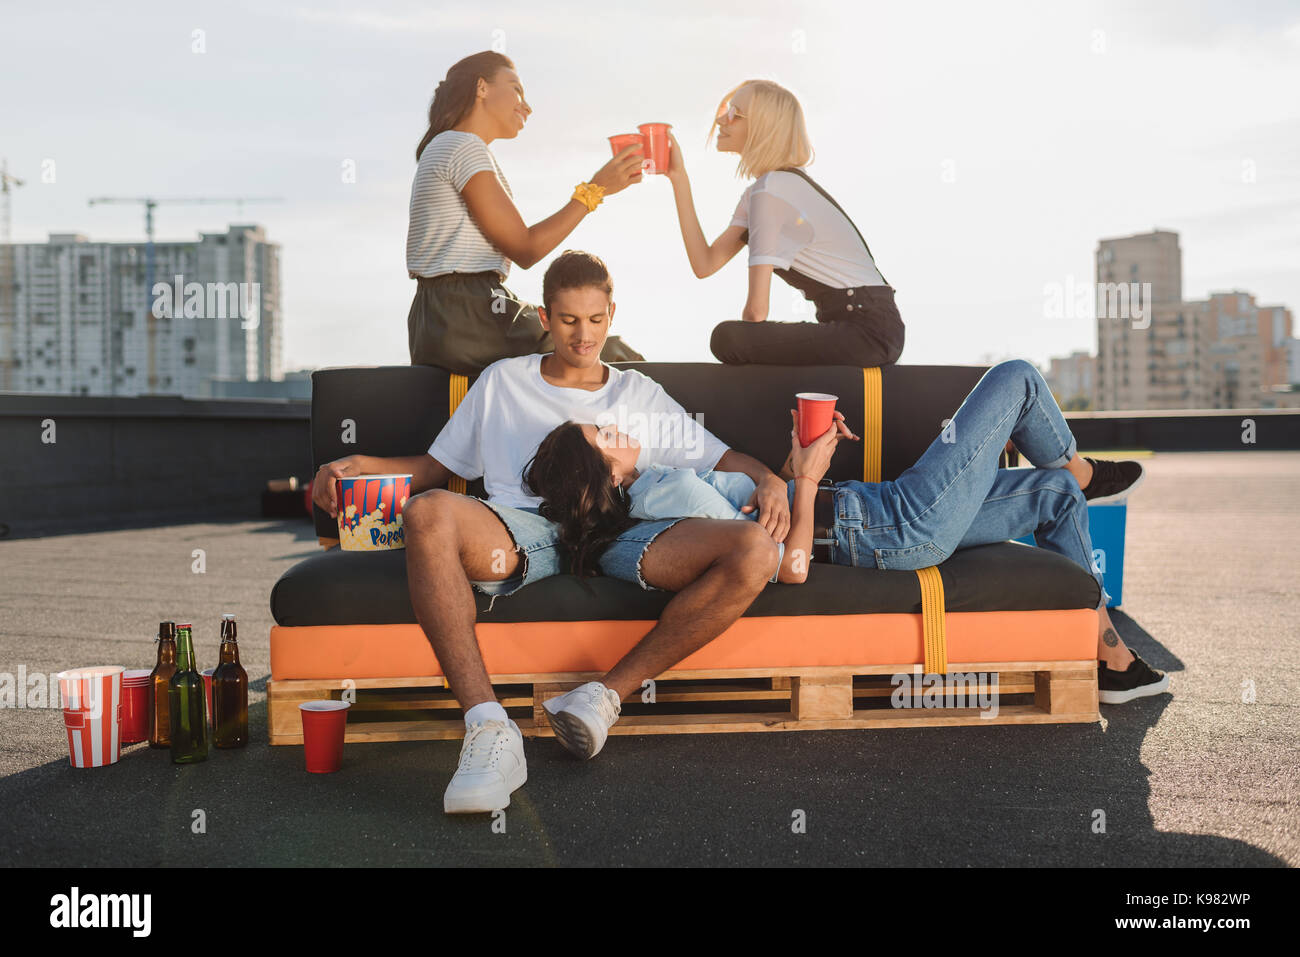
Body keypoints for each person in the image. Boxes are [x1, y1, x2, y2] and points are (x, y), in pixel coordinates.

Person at [313, 251, 792, 814]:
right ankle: (489, 729)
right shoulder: (502, 382)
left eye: (594, 319)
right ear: (545, 315)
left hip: (621, 531)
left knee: (754, 550)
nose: (582, 335)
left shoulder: (639, 394)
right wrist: (358, 464)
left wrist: (770, 478)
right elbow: (435, 467)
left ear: (611, 314)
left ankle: (604, 697)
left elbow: (721, 456)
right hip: (522, 528)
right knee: (427, 512)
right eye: (568, 320)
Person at [523, 360, 1168, 709]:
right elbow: (788, 562)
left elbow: (761, 518)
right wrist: (808, 478)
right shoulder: (661, 496)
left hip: (875, 509)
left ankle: (1109, 656)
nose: (614, 427)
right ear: (602, 476)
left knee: (1049, 497)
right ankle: (1080, 468)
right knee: (1017, 379)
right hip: (887, 526)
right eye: (603, 437)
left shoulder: (659, 490)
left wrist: (797, 457)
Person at [406, 51, 646, 374]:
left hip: (439, 316)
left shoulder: (448, 146)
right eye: (517, 89)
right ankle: (664, 422)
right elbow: (525, 248)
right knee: (610, 352)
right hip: (465, 311)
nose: (527, 106)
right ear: (481, 88)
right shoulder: (463, 146)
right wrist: (595, 190)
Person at [662, 78, 905, 367]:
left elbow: (755, 312)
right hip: (864, 325)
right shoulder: (761, 191)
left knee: (728, 338)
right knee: (732, 338)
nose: (720, 120)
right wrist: (678, 177)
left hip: (868, 330)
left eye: (733, 114)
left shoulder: (772, 189)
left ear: (763, 128)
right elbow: (705, 264)